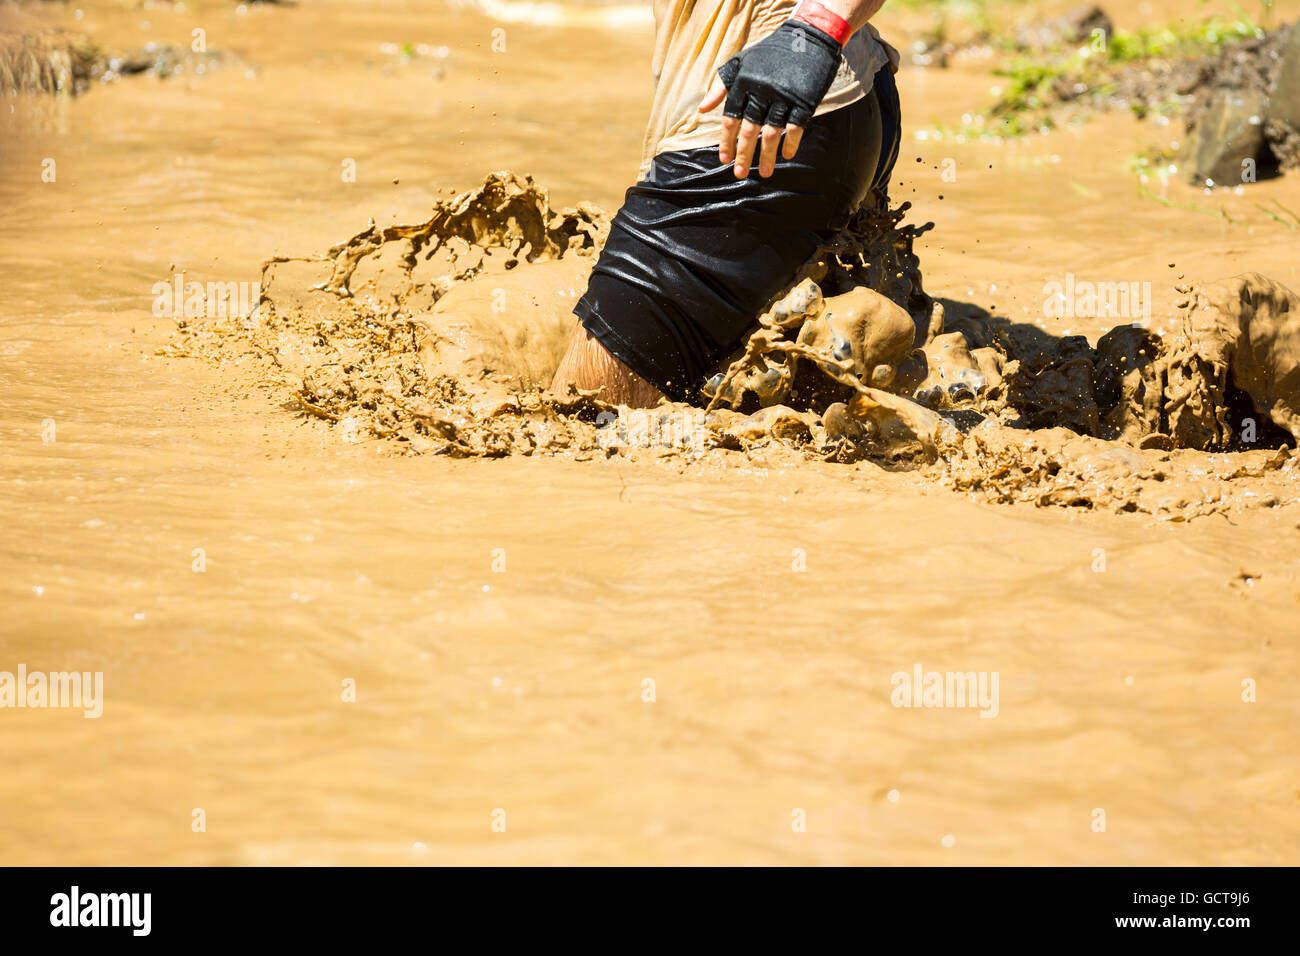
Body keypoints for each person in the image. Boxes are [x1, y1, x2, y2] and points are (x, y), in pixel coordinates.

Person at [549, 0, 901, 407]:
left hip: (765, 120)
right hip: (823, 90)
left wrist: (815, 29)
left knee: (585, 416)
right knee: (789, 400)